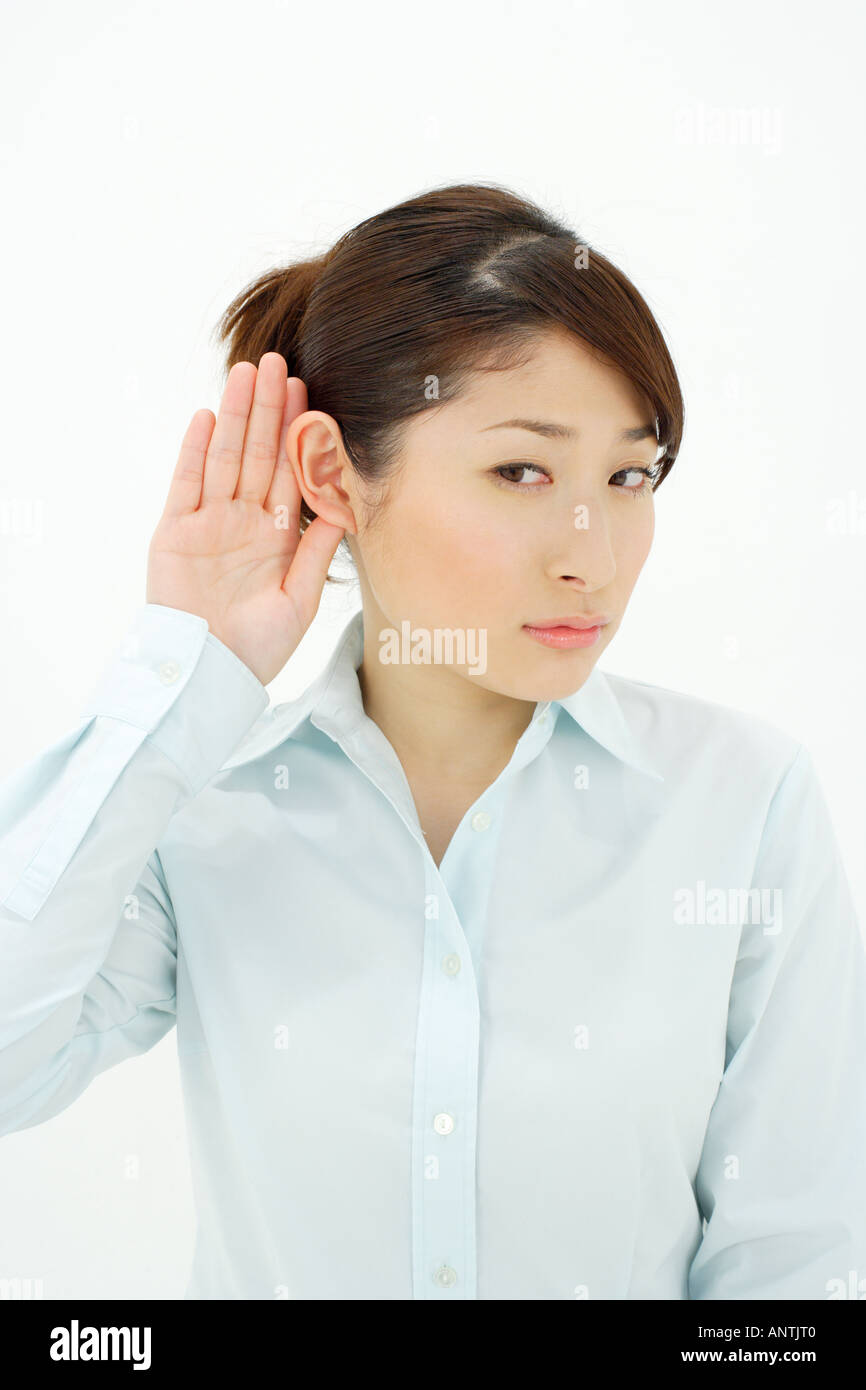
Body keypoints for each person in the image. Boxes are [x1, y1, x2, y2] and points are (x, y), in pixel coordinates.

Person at [1, 182, 864, 1301]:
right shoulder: (201, 803)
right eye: (521, 471)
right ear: (330, 477)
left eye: (628, 475)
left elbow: (792, 1266)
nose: (589, 553)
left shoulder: (739, 799)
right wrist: (185, 671)